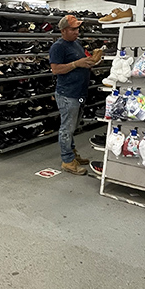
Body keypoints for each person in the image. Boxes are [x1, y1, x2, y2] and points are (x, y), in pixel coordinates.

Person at [49, 14, 97, 175]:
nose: (77, 31)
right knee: (66, 128)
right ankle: (67, 160)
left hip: (79, 92)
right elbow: (55, 69)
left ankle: (72, 153)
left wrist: (93, 60)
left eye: (78, 28)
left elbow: (83, 62)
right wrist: (76, 63)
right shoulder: (58, 47)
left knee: (73, 126)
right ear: (63, 31)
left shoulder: (76, 44)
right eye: (73, 29)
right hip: (68, 94)